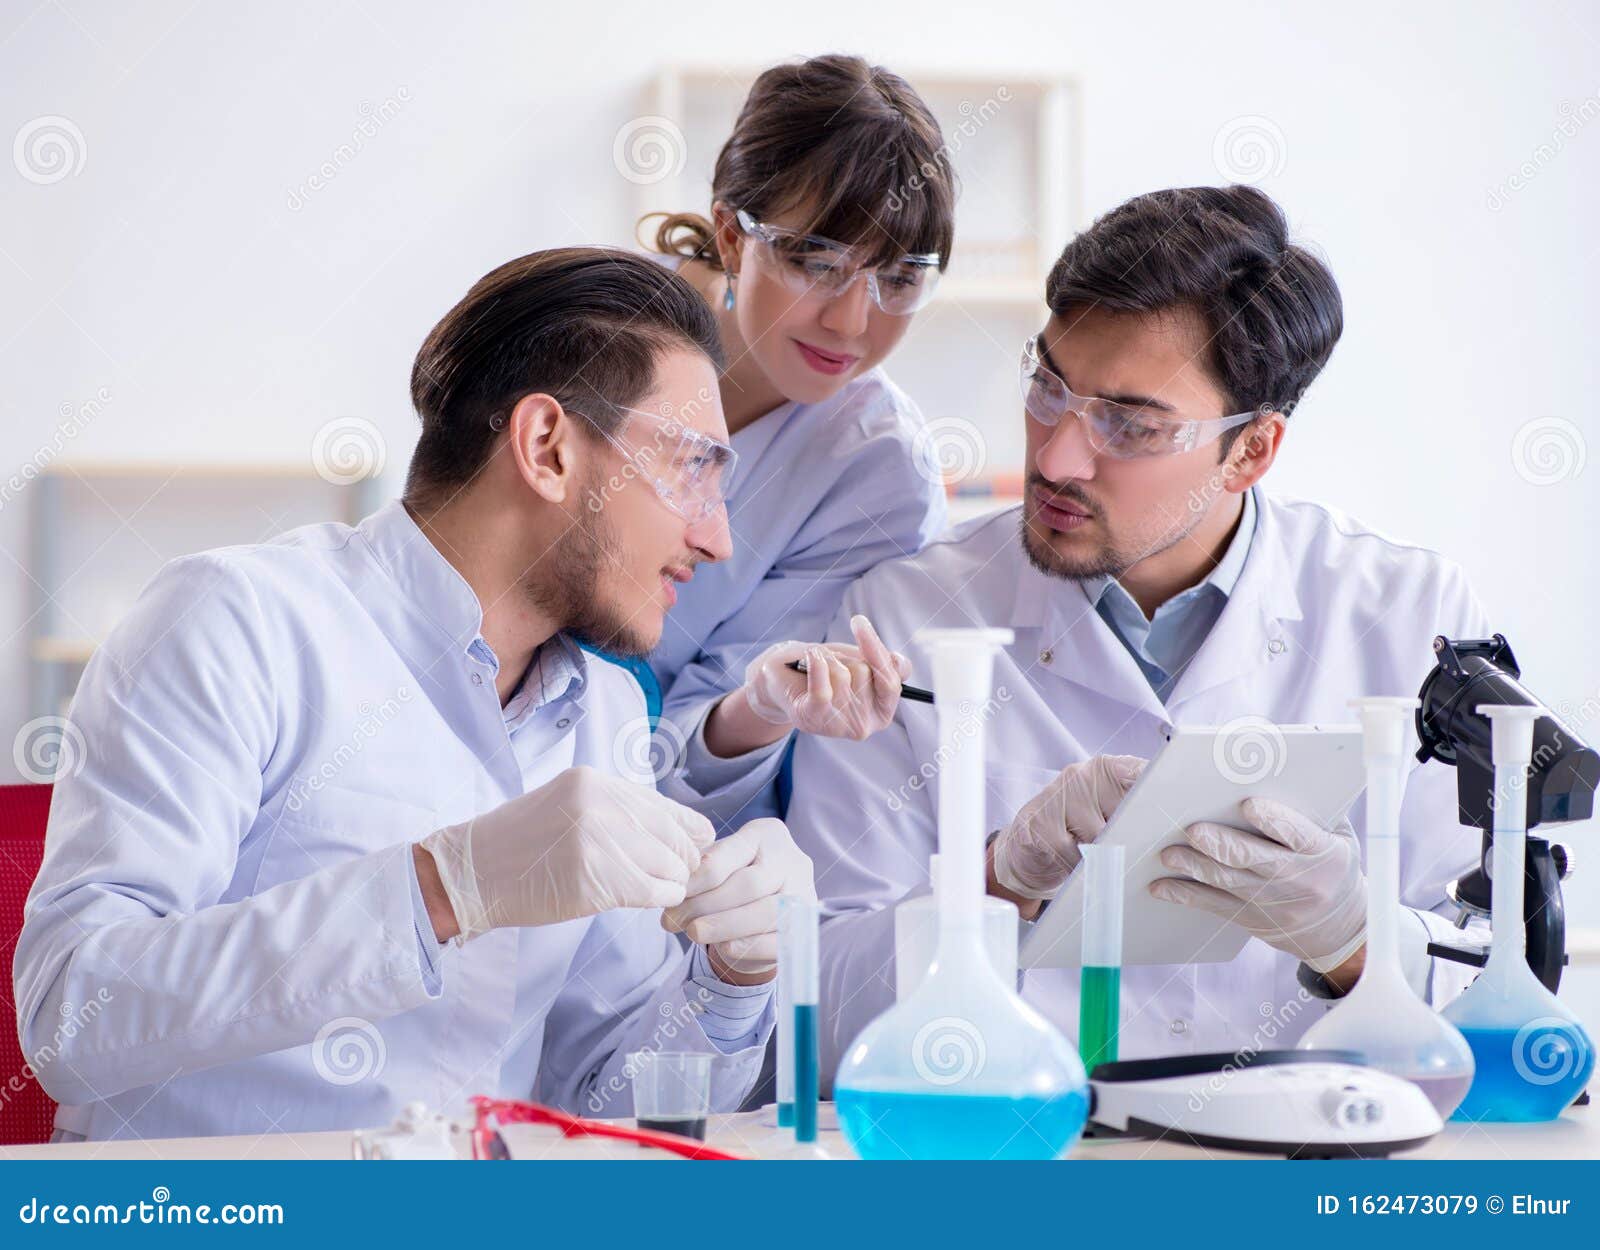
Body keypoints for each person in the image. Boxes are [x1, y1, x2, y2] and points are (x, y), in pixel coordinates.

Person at [13, 248, 816, 1141]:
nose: (719, 537)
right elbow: (70, 1014)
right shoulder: (236, 623)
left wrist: (732, 981)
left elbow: (599, 1100)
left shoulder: (607, 713)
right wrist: (440, 888)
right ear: (547, 448)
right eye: (691, 468)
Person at [780, 186, 1491, 1081]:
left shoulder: (1408, 618)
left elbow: (1504, 1004)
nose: (1055, 456)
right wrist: (998, 882)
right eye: (1048, 387)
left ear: (1253, 450)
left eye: (1130, 424)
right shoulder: (907, 620)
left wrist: (1353, 942)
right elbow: (816, 1022)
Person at [640, 55, 956, 829]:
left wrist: (759, 703)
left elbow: (699, 738)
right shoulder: (593, 328)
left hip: (654, 814)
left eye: (901, 280)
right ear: (731, 235)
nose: (852, 324)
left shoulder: (877, 469)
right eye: (817, 264)